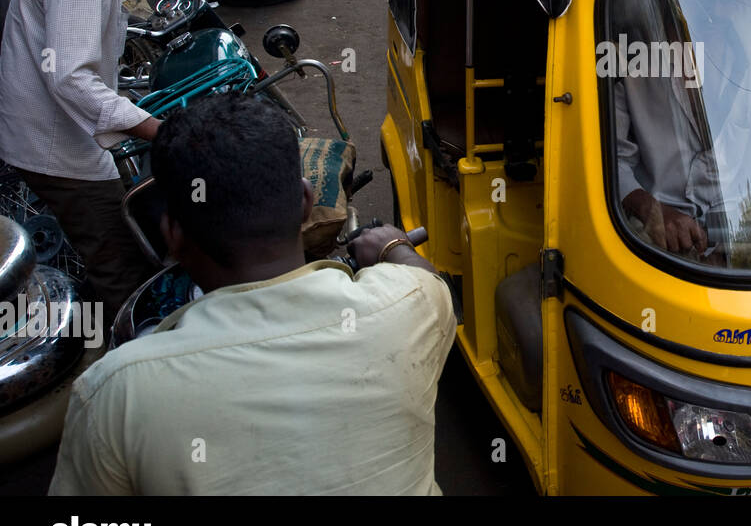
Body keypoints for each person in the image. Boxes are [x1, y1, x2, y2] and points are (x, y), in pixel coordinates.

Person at [49, 93, 457, 494]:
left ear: (172, 234)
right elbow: (435, 285)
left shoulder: (114, 392)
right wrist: (392, 246)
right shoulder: (413, 304)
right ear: (305, 202)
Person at [0, 0, 172, 319]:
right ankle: (126, 362)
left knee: (124, 234)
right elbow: (71, 78)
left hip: (64, 130)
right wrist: (156, 129)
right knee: (121, 264)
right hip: (55, 143)